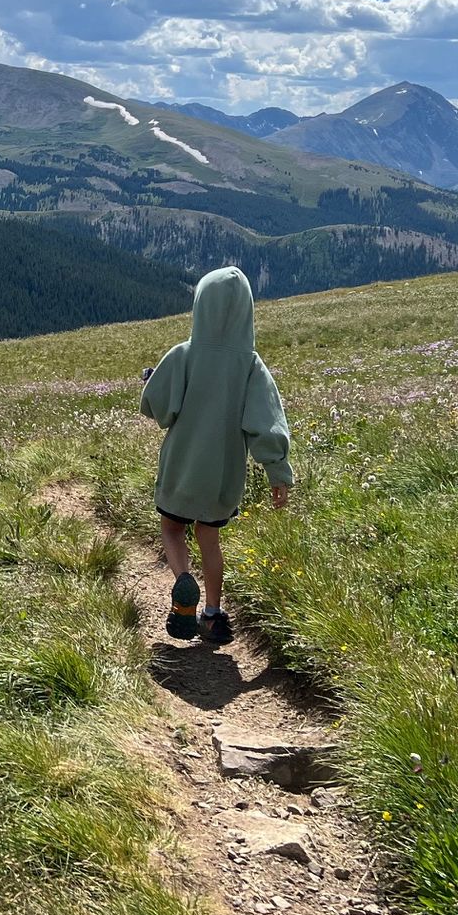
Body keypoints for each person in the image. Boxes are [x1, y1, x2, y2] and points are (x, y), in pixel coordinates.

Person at [140, 267, 293, 644]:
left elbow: (157, 409)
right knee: (210, 538)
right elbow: (267, 422)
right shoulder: (252, 366)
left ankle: (182, 583)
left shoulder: (184, 355)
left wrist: (150, 382)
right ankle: (213, 614)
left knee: (173, 529)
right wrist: (278, 472)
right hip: (223, 475)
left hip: (181, 465)